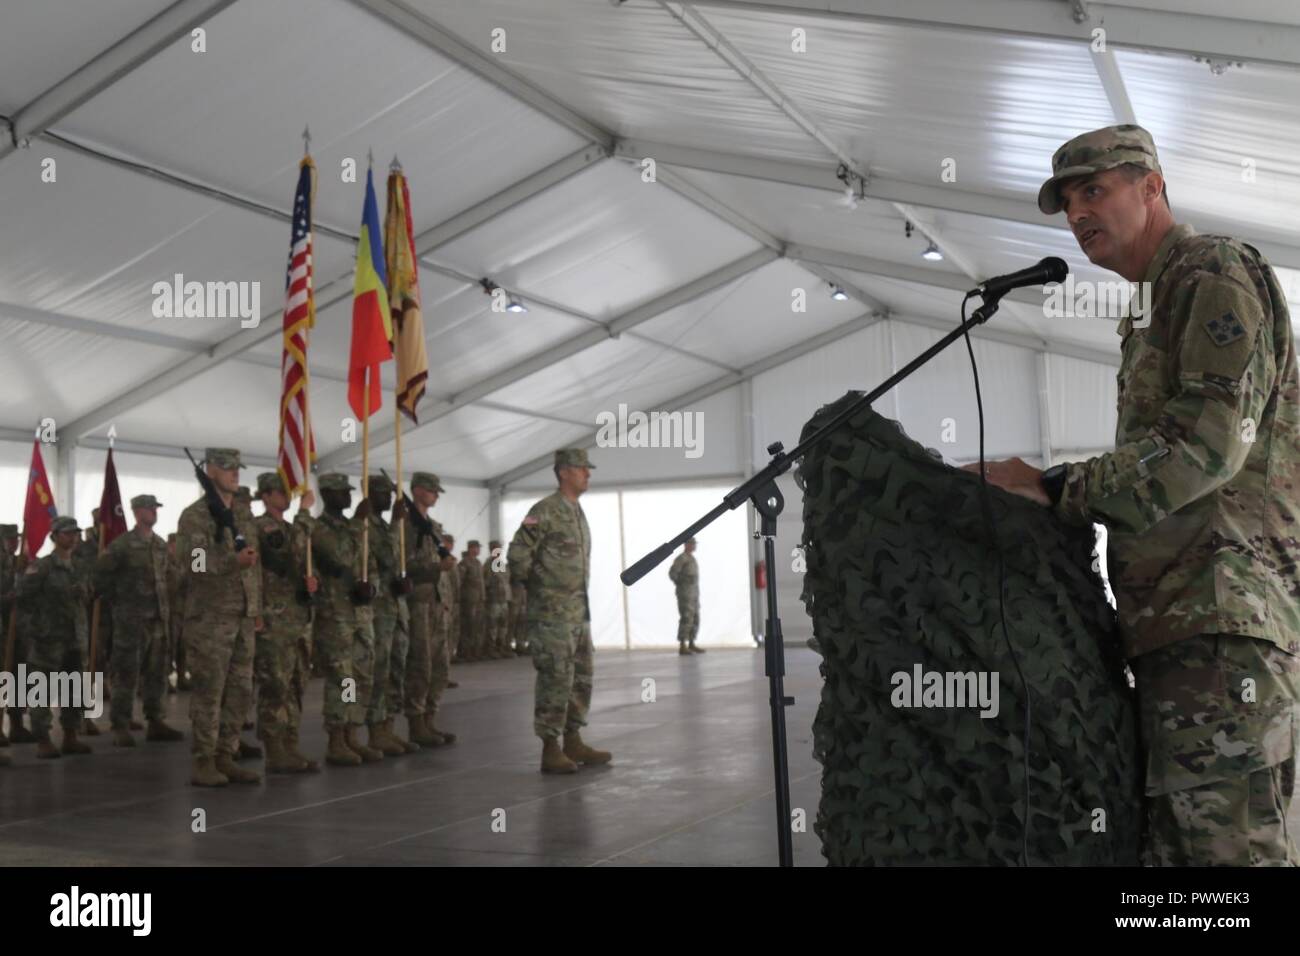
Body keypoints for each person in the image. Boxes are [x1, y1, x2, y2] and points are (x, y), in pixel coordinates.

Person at [973, 125, 1300, 866]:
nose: (1079, 214)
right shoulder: (1148, 308)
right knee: (1181, 857)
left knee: (1225, 861)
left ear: (1152, 186)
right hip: (1177, 624)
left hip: (1221, 621)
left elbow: (1207, 447)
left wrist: (1058, 486)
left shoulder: (1211, 270)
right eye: (1066, 203)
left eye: (1096, 190)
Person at [508, 448, 610, 774]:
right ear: (564, 472)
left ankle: (573, 738)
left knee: (581, 677)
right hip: (552, 615)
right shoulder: (543, 511)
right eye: (582, 469)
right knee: (555, 677)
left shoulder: (577, 511)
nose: (588, 474)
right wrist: (539, 592)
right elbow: (517, 554)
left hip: (579, 613)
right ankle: (550, 748)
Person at [176, 448, 262, 787]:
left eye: (236, 468)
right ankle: (204, 760)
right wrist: (231, 562)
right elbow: (194, 564)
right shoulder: (195, 517)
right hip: (210, 618)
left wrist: (255, 610)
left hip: (241, 616)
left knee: (240, 691)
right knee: (210, 692)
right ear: (210, 470)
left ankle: (228, 754)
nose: (234, 474)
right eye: (226, 468)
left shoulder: (241, 515)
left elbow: (256, 567)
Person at [94, 494, 183, 746]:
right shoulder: (121, 545)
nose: (154, 512)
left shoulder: (160, 545)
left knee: (157, 673)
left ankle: (155, 720)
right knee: (126, 673)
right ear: (136, 512)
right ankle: (120, 724)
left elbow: (173, 575)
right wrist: (119, 602)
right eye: (149, 508)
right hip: (131, 622)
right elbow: (100, 577)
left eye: (155, 508)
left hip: (158, 620)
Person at [251, 473, 320, 773]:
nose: (286, 496)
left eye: (286, 491)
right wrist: (305, 513)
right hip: (275, 619)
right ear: (265, 496)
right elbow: (283, 557)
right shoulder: (261, 527)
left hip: (297, 619)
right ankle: (274, 747)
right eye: (279, 492)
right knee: (275, 686)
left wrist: (311, 581)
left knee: (295, 685)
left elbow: (301, 563)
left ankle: (290, 743)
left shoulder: (292, 529)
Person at [311, 472, 381, 765]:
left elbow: (370, 562)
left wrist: (372, 587)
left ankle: (353, 731)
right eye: (342, 492)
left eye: (348, 491)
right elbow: (338, 558)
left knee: (362, 675)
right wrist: (357, 522)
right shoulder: (319, 529)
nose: (348, 497)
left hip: (360, 613)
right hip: (336, 613)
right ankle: (336, 738)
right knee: (343, 678)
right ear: (327, 494)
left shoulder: (356, 529)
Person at [18, 516, 92, 758]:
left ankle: (71, 735)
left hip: (74, 637)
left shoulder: (80, 566)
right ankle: (43, 739)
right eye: (68, 533)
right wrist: (38, 624)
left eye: (75, 533)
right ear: (55, 536)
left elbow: (90, 593)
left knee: (75, 687)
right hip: (48, 639)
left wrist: (86, 591)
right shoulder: (43, 566)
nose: (73, 537)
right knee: (42, 689)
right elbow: (24, 596)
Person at [401, 472, 456, 746]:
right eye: (432, 491)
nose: (435, 495)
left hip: (436, 602)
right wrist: (437, 568)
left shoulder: (432, 527)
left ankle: (430, 719)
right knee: (420, 664)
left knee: (440, 665)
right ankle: (416, 720)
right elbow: (402, 567)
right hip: (418, 603)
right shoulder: (405, 525)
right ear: (418, 490)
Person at [668, 537, 703, 655]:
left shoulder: (691, 558)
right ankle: (683, 645)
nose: (694, 546)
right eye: (692, 544)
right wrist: (683, 581)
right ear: (686, 545)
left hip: (694, 593)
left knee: (695, 617)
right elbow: (673, 574)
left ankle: (691, 643)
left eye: (694, 544)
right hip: (685, 593)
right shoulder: (681, 558)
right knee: (686, 617)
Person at [458, 540, 486, 661]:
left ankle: (476, 651)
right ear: (470, 548)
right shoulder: (465, 563)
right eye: (476, 548)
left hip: (479, 598)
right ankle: (465, 652)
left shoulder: (478, 563)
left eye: (478, 548)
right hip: (469, 599)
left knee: (478, 625)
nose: (478, 550)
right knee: (468, 626)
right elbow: (459, 581)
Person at [483, 540, 511, 659]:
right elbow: (484, 582)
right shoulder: (488, 565)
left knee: (503, 625)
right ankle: (491, 649)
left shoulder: (501, 564)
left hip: (503, 599)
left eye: (499, 548)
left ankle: (502, 647)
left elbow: (506, 581)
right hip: (493, 599)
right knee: (492, 626)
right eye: (495, 548)